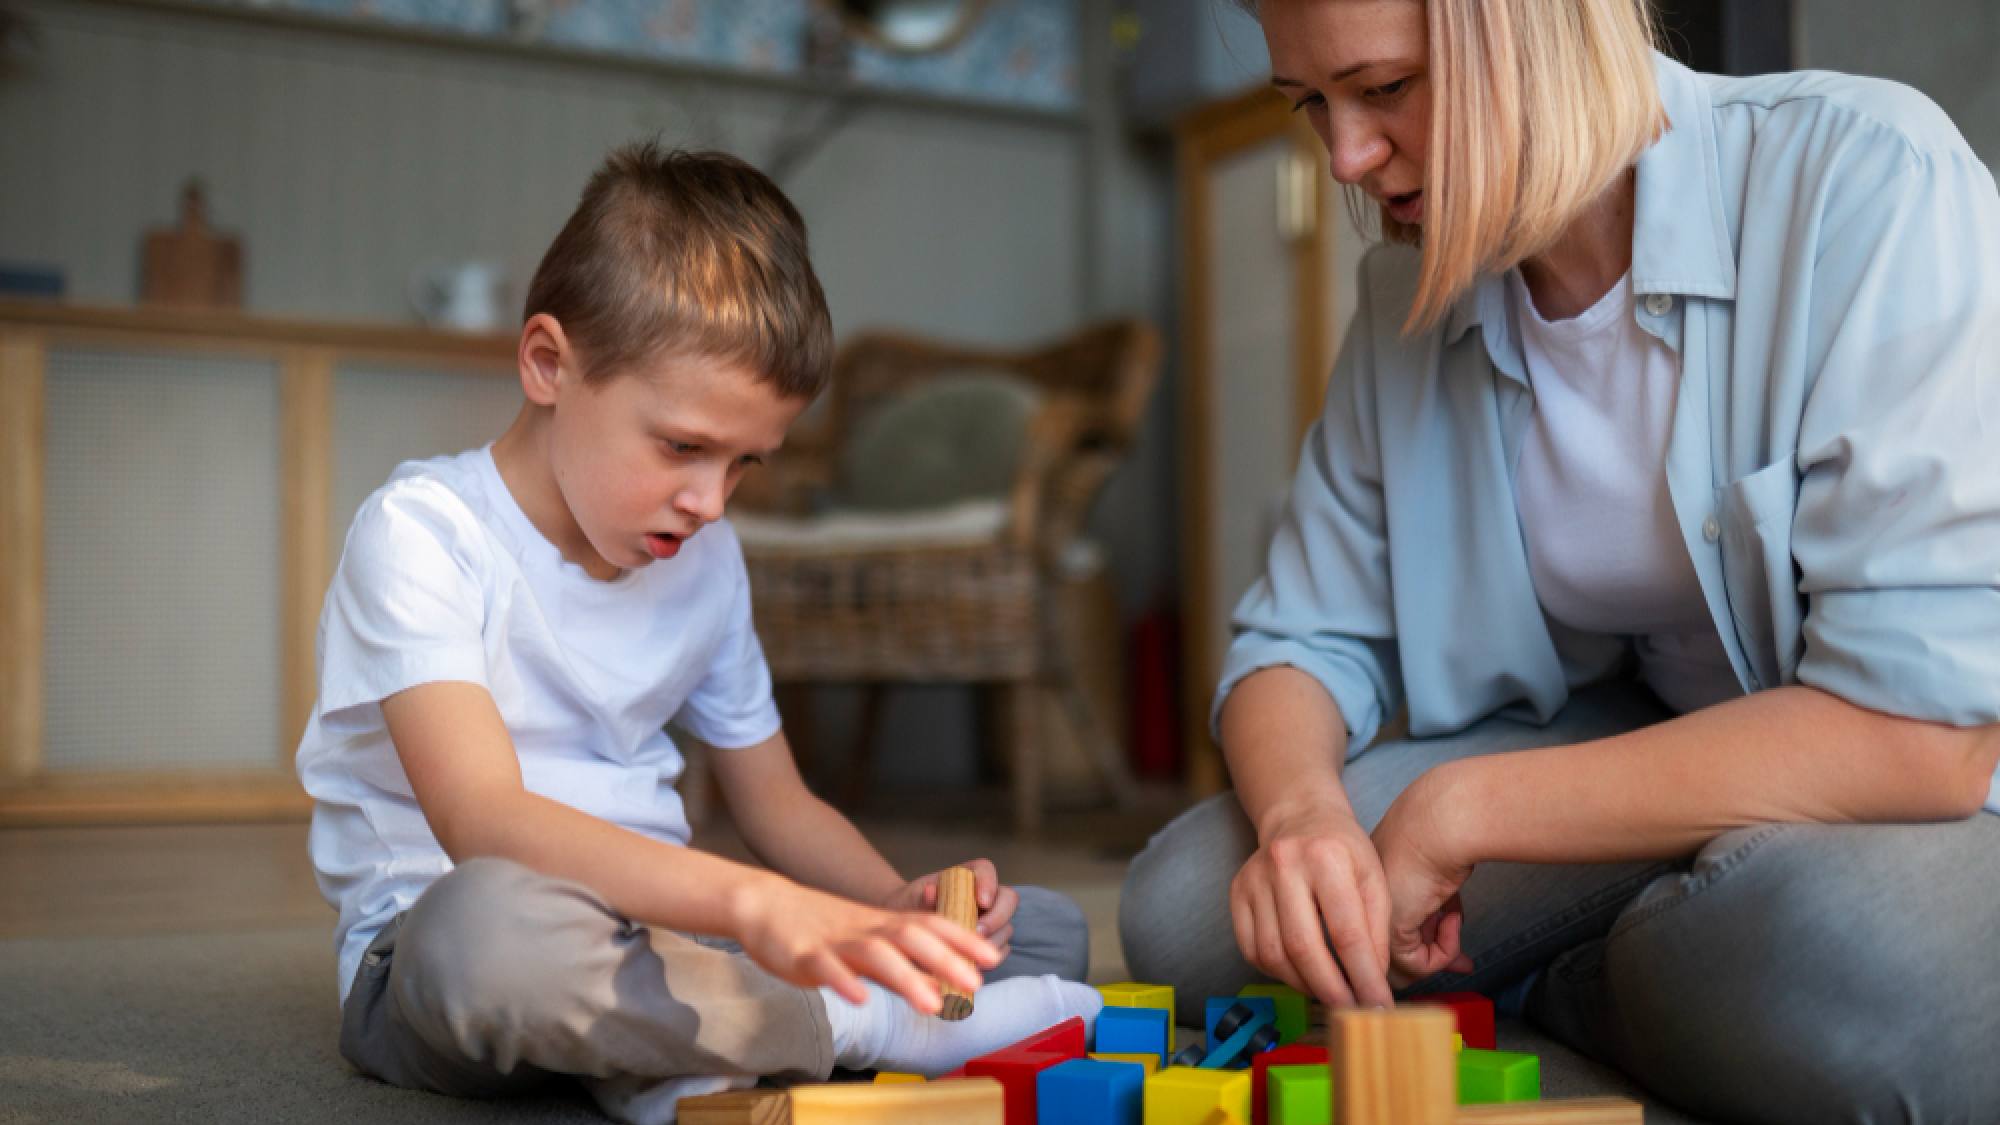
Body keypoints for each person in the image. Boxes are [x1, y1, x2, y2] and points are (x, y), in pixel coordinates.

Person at [1119, 1, 2000, 1120]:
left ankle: (1579, 985)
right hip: (1638, 740)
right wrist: (1304, 825)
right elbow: (1296, 641)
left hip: (1919, 774)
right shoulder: (1402, 298)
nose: (1345, 155)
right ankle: (1671, 975)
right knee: (1196, 909)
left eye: (1384, 89)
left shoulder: (1864, 171)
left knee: (1856, 965)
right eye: (1310, 106)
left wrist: (1457, 813)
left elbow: (1922, 734)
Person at [295, 142, 1099, 1125]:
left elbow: (778, 805)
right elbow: (483, 822)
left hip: (667, 942)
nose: (710, 502)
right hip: (443, 949)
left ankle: (680, 1049)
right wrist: (756, 907)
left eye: (745, 464)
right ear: (549, 364)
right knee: (488, 940)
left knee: (1040, 933)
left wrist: (895, 907)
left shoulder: (705, 559)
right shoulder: (422, 533)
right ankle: (868, 1030)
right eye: (682, 447)